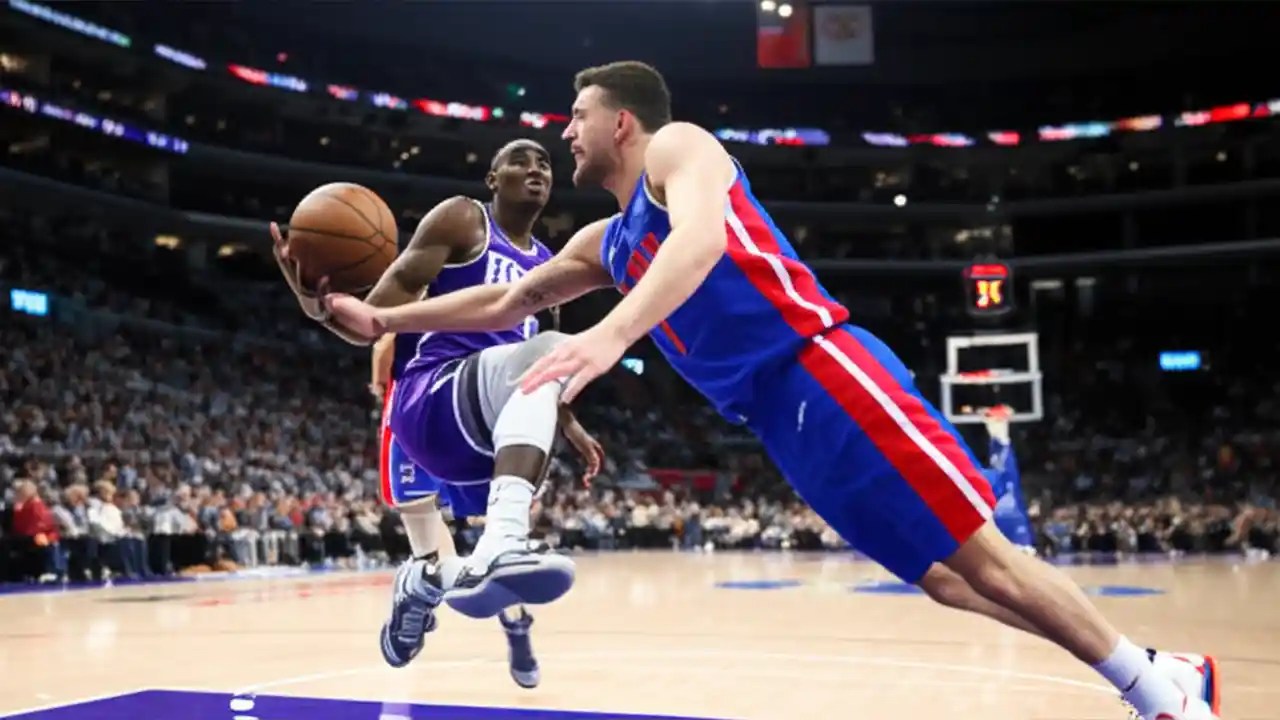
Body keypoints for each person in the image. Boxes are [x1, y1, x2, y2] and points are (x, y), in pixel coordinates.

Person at [322, 63, 1219, 719]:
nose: (565, 131)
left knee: (981, 556)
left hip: (825, 369)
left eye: (579, 115)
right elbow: (511, 298)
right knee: (947, 581)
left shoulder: (683, 148)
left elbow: (701, 244)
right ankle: (1162, 669)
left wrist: (608, 336)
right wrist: (382, 320)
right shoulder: (605, 237)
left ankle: (1158, 698)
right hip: (780, 420)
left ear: (624, 122)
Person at [273, 139, 603, 689]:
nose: (535, 168)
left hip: (494, 412)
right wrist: (320, 310)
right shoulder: (462, 220)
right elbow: (372, 316)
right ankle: (445, 569)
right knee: (430, 523)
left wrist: (566, 420)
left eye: (544, 161)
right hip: (431, 393)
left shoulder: (549, 265)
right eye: (519, 160)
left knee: (495, 570)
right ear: (492, 179)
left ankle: (429, 587)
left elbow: (540, 355)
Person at [979, 405, 1035, 553]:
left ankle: (998, 424)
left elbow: (1003, 442)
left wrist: (999, 420)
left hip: (1010, 518)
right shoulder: (995, 458)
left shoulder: (1003, 457)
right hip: (1003, 518)